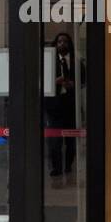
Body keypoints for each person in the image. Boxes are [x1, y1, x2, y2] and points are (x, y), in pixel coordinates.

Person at [44, 32, 78, 182]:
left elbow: (84, 79)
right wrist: (54, 81)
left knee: (70, 139)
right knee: (55, 140)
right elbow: (42, 82)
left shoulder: (76, 61)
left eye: (65, 41)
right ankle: (56, 167)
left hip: (70, 105)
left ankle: (68, 165)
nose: (62, 44)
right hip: (54, 106)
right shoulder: (49, 62)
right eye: (59, 42)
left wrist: (74, 84)